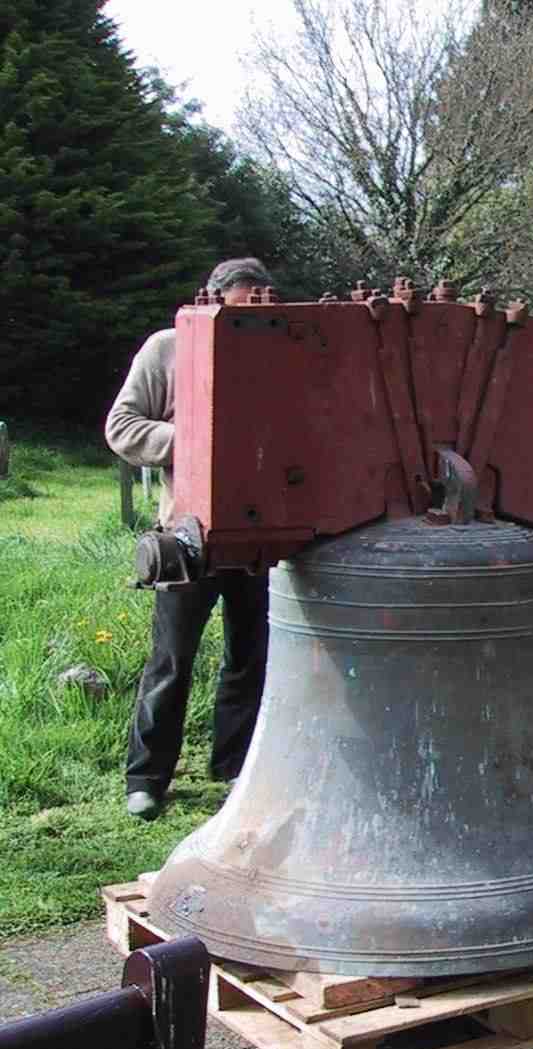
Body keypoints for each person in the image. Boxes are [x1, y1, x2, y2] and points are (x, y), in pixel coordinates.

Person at [106, 258, 276, 820]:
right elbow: (122, 426)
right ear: (213, 299)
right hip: (189, 535)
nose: (252, 315)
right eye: (241, 303)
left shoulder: (284, 350)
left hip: (263, 535)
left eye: (262, 303)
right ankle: (147, 778)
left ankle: (232, 772)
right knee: (171, 662)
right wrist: (195, 439)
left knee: (251, 659)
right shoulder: (168, 347)